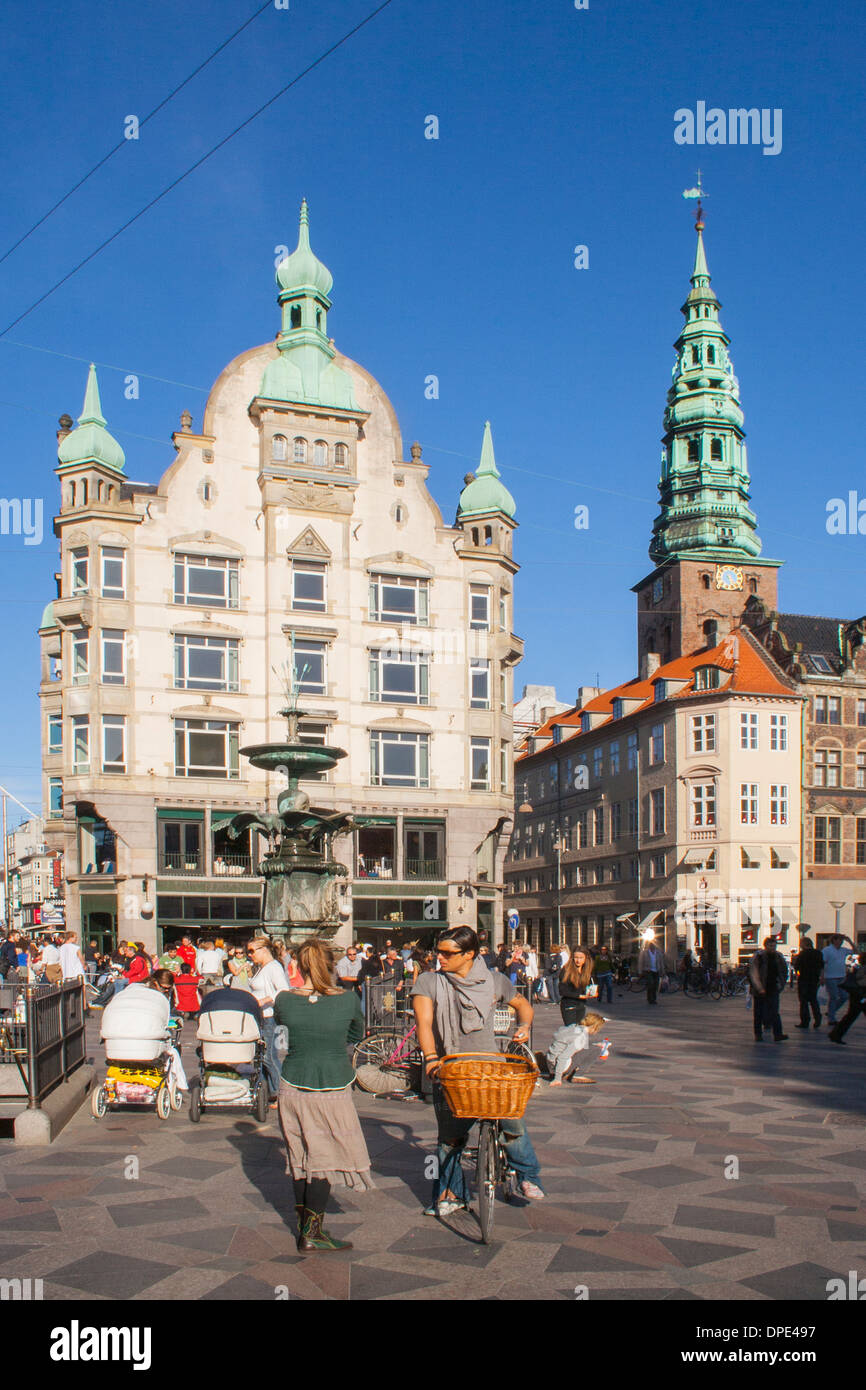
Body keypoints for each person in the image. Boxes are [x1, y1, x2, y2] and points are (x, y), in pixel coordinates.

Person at [412, 924, 544, 1216]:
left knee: (512, 1124)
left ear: (469, 954)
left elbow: (524, 1006)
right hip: (450, 1067)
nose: (440, 958)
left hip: (490, 1067)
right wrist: (432, 1057)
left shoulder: (495, 981)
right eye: (438, 952)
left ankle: (528, 1176)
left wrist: (523, 1027)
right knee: (450, 1138)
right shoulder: (428, 982)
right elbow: (423, 1023)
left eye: (447, 953)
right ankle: (451, 1193)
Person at [273, 936, 373, 1253]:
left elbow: (280, 1035)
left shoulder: (284, 999)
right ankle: (312, 1233)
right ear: (332, 966)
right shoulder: (346, 1000)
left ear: (298, 966)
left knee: (300, 1154)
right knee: (324, 1155)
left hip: (292, 1082)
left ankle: (305, 1225)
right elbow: (357, 1034)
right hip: (332, 1084)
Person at [247, 934, 290, 1106]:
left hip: (268, 1016)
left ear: (264, 950)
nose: (249, 954)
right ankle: (270, 1091)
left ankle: (282, 1094)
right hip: (259, 1016)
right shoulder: (261, 967)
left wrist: (264, 1000)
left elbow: (283, 990)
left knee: (268, 1056)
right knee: (260, 1056)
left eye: (252, 951)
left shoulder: (273, 967)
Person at [547, 1011, 606, 1085]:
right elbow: (563, 1057)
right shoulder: (580, 1037)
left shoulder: (574, 1027)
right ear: (594, 1027)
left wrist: (594, 1044)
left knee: (593, 1047)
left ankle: (561, 1073)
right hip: (560, 1066)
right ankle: (578, 1075)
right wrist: (557, 1078)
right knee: (596, 1050)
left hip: (551, 1063)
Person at [749, 937, 789, 1042]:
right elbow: (754, 973)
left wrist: (781, 985)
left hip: (773, 987)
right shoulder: (759, 957)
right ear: (765, 946)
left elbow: (784, 971)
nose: (773, 948)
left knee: (775, 1012)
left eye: (774, 946)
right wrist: (759, 988)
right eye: (771, 946)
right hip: (760, 989)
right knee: (758, 1012)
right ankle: (758, 1034)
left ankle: (778, 1034)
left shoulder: (778, 957)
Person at [829, 953, 866, 1045]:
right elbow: (862, 982)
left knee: (850, 1016)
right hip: (861, 995)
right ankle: (836, 1034)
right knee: (851, 1016)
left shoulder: (859, 968)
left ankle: (835, 1034)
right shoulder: (863, 969)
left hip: (857, 995)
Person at [821, 932, 856, 1027]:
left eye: (841, 940)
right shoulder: (827, 950)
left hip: (841, 976)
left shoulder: (843, 950)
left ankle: (831, 1011)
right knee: (834, 997)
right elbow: (823, 964)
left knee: (844, 996)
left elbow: (855, 951)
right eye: (839, 940)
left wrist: (850, 941)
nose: (840, 942)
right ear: (834, 940)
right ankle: (831, 1018)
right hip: (830, 977)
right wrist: (822, 976)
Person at [792, 936, 823, 1029]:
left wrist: (797, 973)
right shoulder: (818, 953)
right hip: (814, 979)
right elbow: (822, 966)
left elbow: (797, 967)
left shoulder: (802, 954)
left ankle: (805, 1021)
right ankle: (817, 1018)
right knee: (814, 1000)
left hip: (804, 979)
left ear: (803, 944)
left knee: (803, 1001)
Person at [559, 946, 594, 1026]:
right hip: (569, 1005)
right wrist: (579, 996)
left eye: (581, 958)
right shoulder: (566, 971)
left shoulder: (586, 971)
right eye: (576, 957)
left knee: (579, 1030)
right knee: (571, 1031)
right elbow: (562, 990)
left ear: (586, 958)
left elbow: (588, 986)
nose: (578, 960)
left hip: (581, 1004)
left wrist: (591, 992)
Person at [638, 936, 666, 1005]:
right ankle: (650, 998)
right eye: (651, 945)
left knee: (655, 985)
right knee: (651, 983)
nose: (652, 946)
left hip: (656, 970)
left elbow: (661, 963)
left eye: (653, 945)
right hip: (648, 970)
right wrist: (640, 971)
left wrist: (663, 972)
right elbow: (640, 962)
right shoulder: (645, 952)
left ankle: (654, 998)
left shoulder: (658, 953)